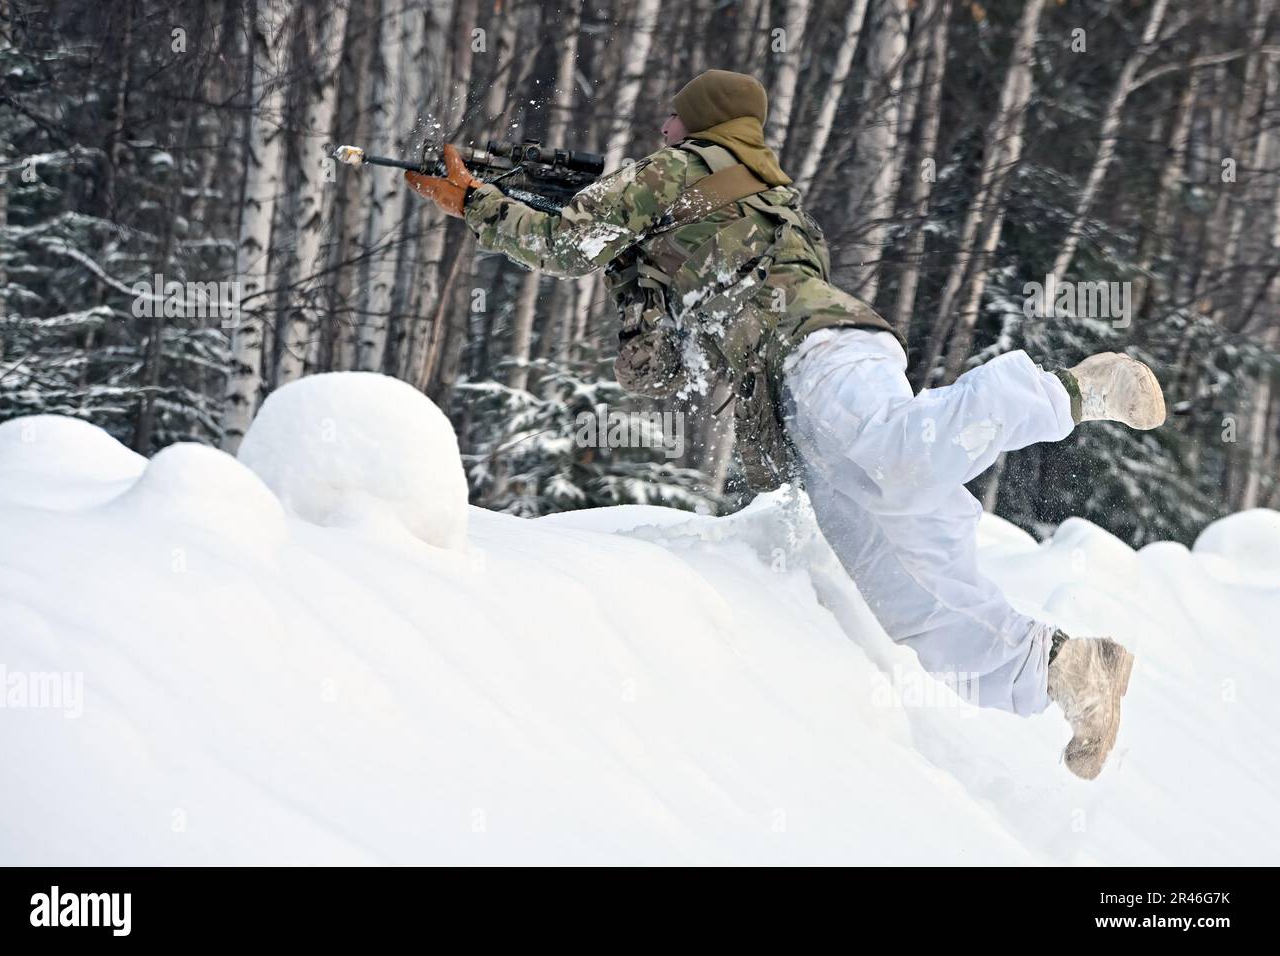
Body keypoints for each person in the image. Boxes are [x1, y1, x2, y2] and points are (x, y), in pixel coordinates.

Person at [405, 69, 1163, 780]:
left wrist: (473, 201)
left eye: (672, 115)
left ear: (701, 120)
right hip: (805, 395)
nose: (661, 128)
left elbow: (566, 241)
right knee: (911, 595)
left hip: (821, 355)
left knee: (904, 455)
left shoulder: (684, 166)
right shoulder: (764, 196)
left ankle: (1073, 391)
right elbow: (658, 368)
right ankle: (1069, 671)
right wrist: (633, 270)